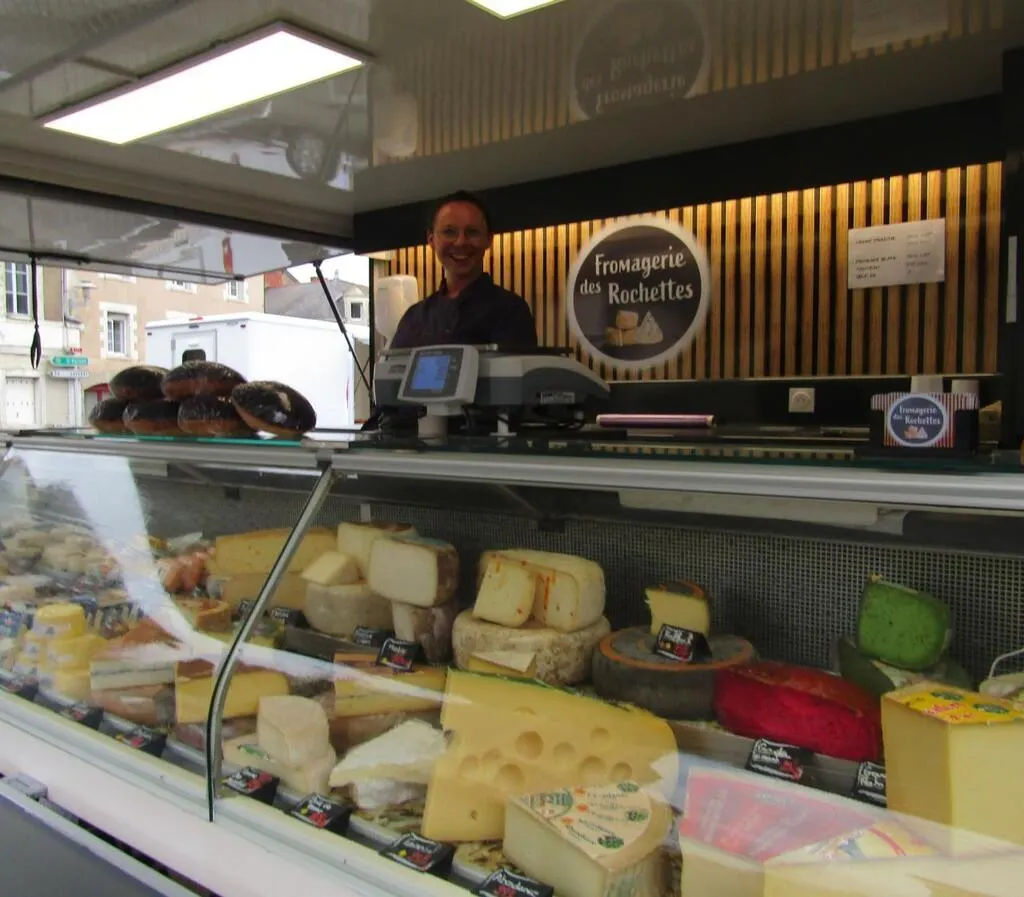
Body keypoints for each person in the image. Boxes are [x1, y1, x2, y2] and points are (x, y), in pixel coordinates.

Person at [389, 191, 538, 350]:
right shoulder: (414, 318)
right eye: (449, 232)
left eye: (472, 232)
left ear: (488, 239)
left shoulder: (511, 311)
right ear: (431, 240)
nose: (461, 242)